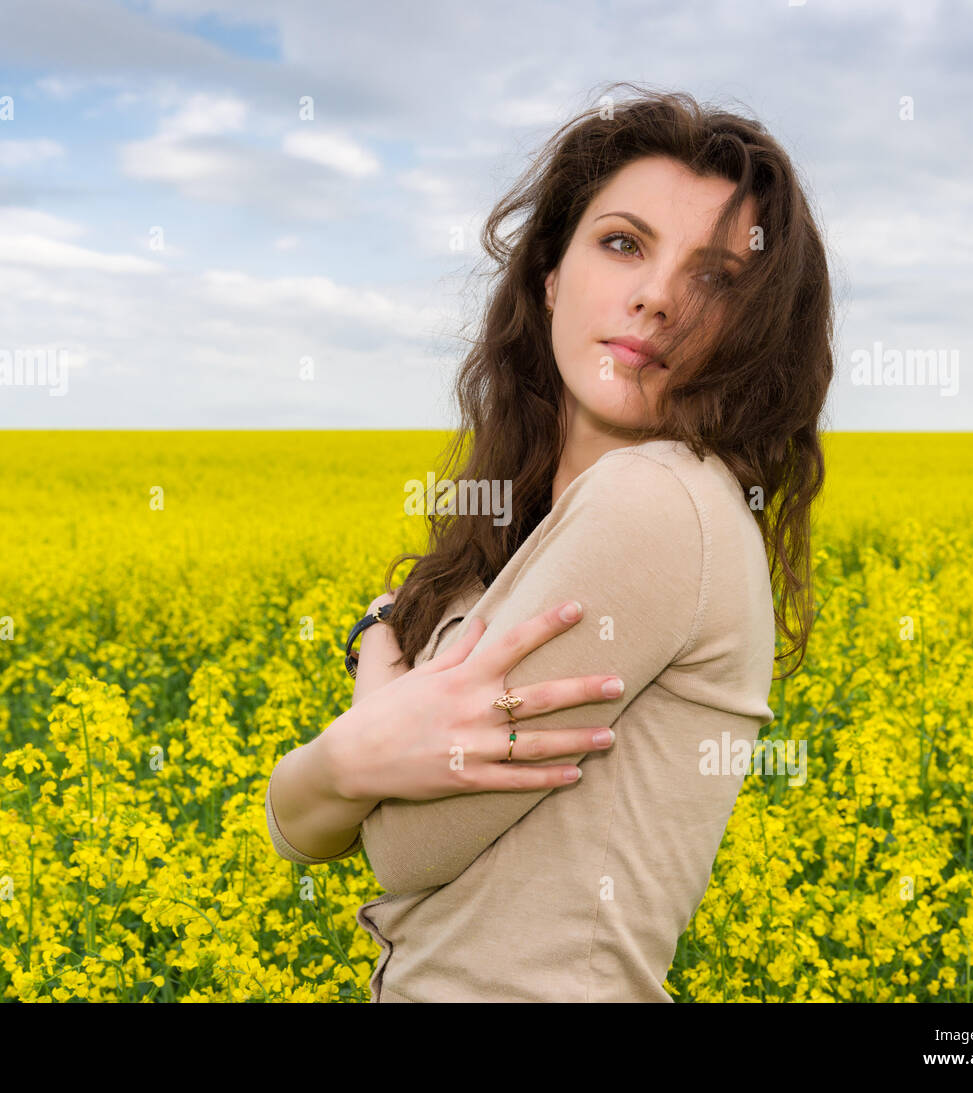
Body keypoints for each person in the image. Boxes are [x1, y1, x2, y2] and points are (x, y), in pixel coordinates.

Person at [265, 83, 834, 1002]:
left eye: (715, 278)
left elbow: (396, 842)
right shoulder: (534, 520)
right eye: (623, 243)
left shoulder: (655, 504)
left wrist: (372, 659)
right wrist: (358, 756)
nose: (656, 298)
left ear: (752, 328)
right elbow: (303, 830)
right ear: (552, 276)